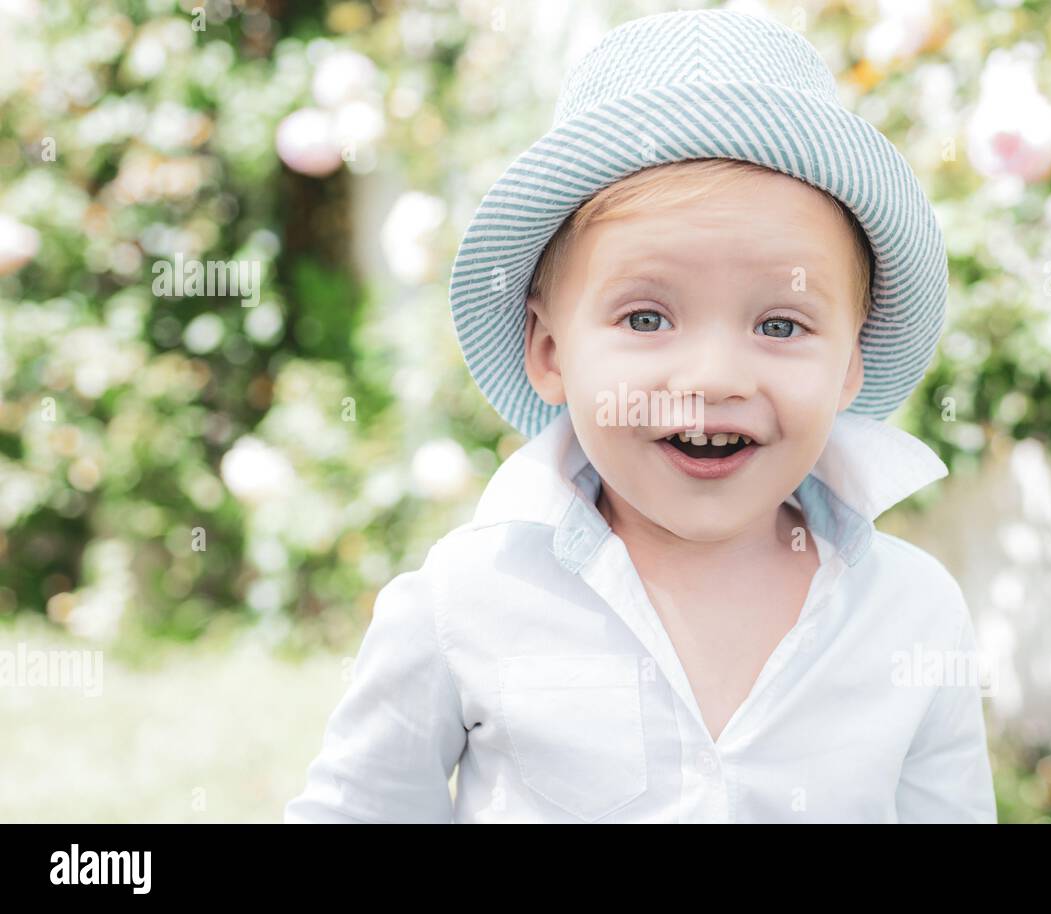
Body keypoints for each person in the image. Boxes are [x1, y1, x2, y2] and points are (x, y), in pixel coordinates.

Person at [285, 8, 996, 824]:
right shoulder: (467, 599)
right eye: (648, 319)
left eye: (780, 324)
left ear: (849, 366)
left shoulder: (911, 613)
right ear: (550, 351)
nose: (714, 378)